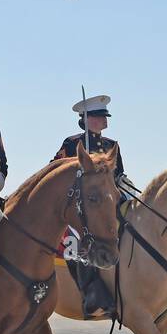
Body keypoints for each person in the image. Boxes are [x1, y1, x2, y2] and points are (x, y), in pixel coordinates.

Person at [54, 94, 124, 316]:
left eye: (105, 117)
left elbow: (119, 175)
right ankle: (93, 295)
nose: (104, 121)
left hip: (108, 204)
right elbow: (55, 171)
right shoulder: (73, 143)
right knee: (76, 241)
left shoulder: (112, 146)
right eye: (99, 116)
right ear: (85, 119)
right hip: (81, 208)